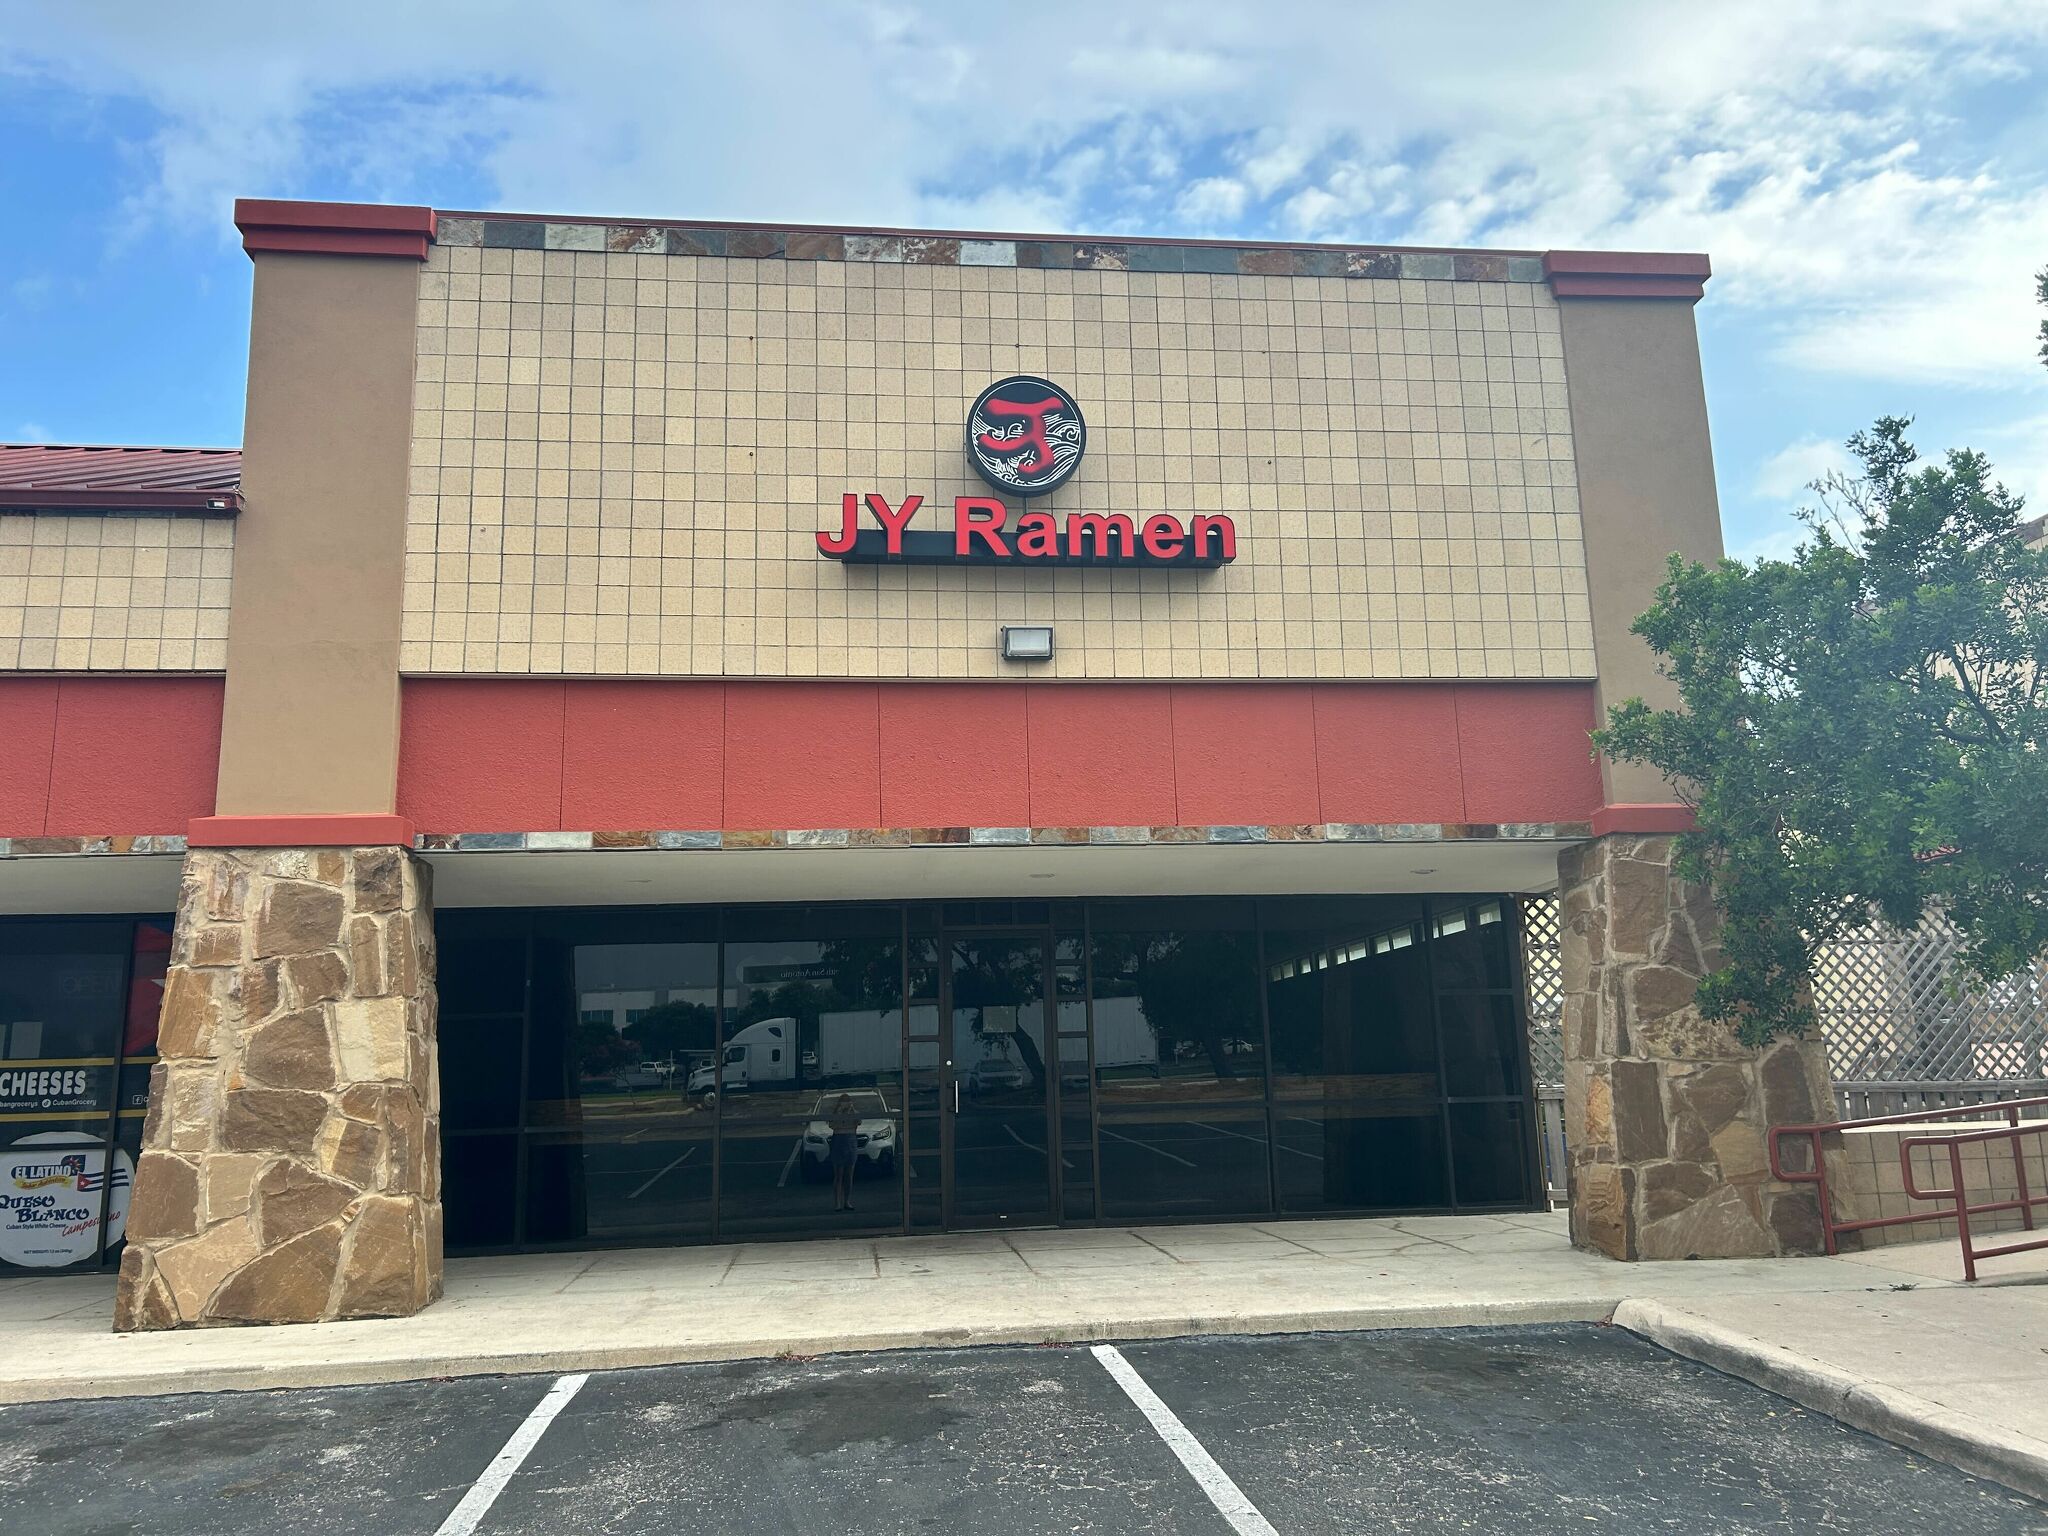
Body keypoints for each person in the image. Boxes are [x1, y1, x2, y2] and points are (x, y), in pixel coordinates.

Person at [827, 1093, 861, 1211]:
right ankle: (837, 1202)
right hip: (838, 1141)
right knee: (838, 1174)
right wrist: (840, 1112)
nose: (846, 1104)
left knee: (849, 1174)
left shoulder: (854, 1112)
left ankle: (847, 1201)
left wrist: (851, 1111)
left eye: (848, 1101)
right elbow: (831, 1125)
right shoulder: (835, 1113)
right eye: (843, 1101)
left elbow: (858, 1122)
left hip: (850, 1141)